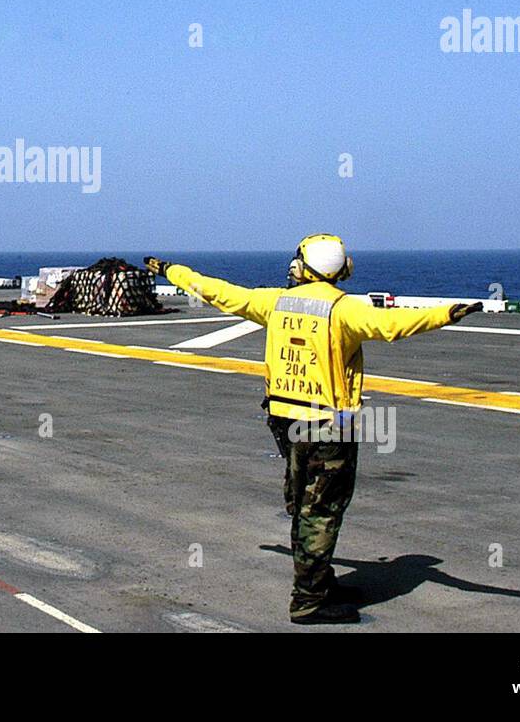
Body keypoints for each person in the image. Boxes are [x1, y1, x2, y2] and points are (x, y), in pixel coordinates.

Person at [146, 235, 481, 625]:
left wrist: (173, 270)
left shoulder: (275, 302)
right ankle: (308, 601)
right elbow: (393, 325)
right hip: (328, 426)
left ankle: (319, 581)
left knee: (302, 504)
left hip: (285, 419)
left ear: (304, 266)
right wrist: (448, 312)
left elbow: (219, 292)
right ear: (342, 269)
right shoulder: (344, 311)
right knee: (321, 510)